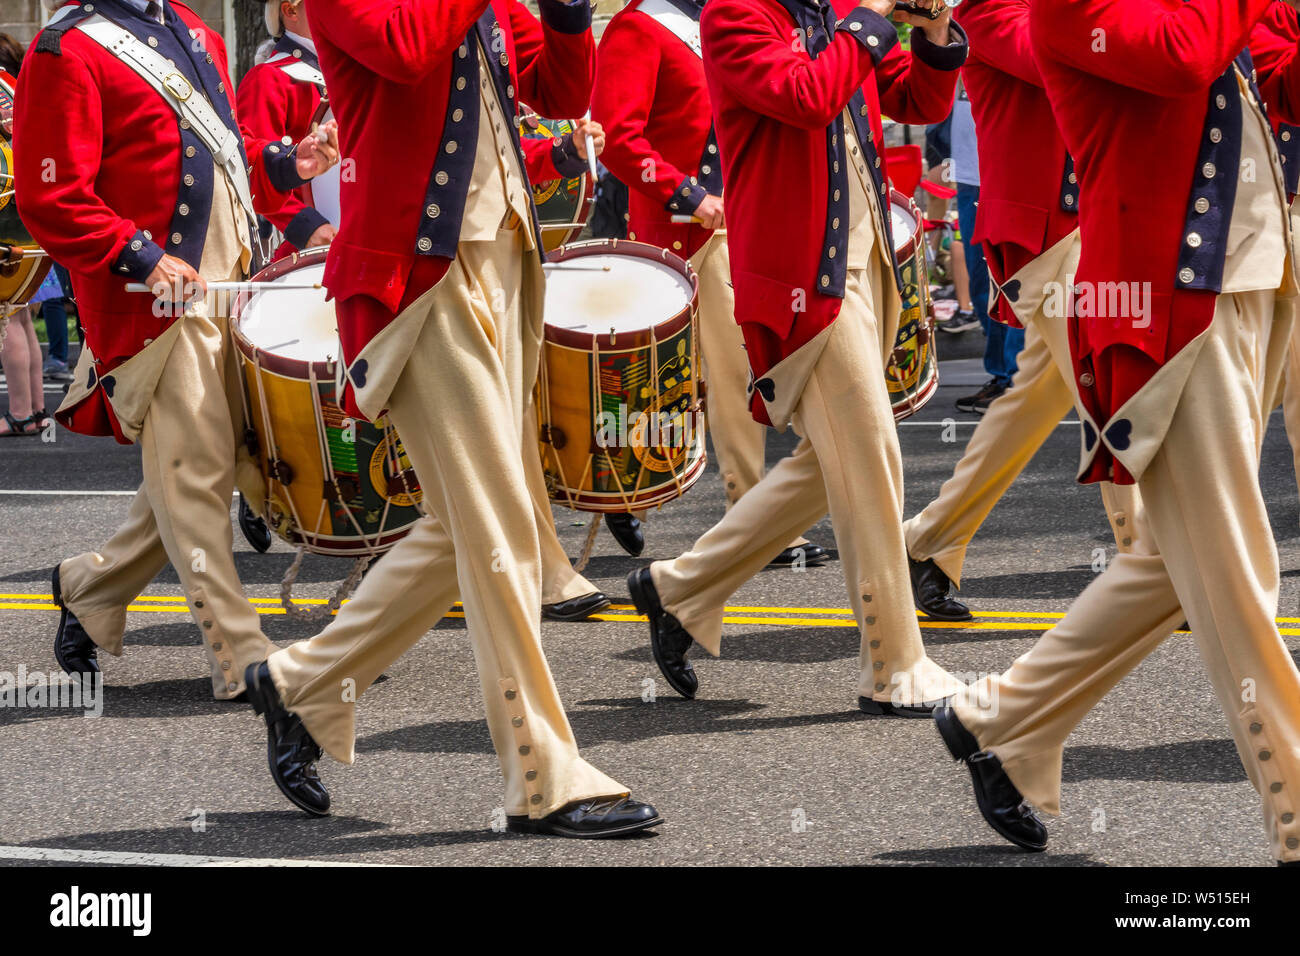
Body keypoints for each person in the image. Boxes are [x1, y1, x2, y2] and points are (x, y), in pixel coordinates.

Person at [239, 0, 661, 837]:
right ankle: (544, 777)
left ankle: (302, 684)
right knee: (501, 521)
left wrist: (569, 14)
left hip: (503, 254)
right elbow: (403, 48)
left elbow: (559, 83)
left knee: (468, 518)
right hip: (420, 275)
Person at [936, 0, 1300, 865]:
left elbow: (1282, 82)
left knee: (1182, 562)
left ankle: (1004, 721)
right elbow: (1182, 55)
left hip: (1251, 277)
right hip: (1164, 303)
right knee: (1237, 571)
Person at [629, 0, 970, 714]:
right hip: (801, 270)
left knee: (833, 462)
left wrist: (933, 30)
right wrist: (874, 17)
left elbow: (915, 96)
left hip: (865, 256)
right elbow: (807, 98)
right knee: (871, 451)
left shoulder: (841, 13)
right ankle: (893, 663)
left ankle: (678, 588)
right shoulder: (735, 17)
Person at [17, 0, 339, 698]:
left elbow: (228, 162)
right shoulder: (63, 49)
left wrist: (291, 163)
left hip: (232, 283)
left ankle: (88, 586)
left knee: (206, 465)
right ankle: (242, 658)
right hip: (154, 301)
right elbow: (52, 195)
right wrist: (140, 256)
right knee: (196, 472)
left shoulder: (193, 30)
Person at [902, 0, 1142, 623]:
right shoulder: (990, 8)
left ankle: (929, 539)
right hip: (1051, 234)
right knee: (1112, 394)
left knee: (1034, 403)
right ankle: (1155, 569)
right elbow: (1067, 57)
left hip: (1086, 222)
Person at [591, 0, 830, 570]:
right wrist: (692, 198)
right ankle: (754, 518)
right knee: (732, 376)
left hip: (750, 218)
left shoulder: (740, 18)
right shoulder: (637, 26)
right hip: (690, 229)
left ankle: (625, 482)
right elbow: (618, 139)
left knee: (692, 382)